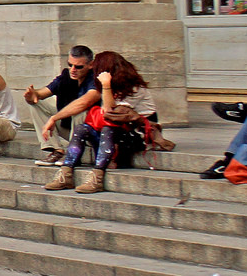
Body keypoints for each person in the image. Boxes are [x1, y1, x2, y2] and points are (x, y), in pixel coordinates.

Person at [46, 51, 156, 193]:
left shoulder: (134, 88)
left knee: (108, 129)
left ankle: (97, 177)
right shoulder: (112, 86)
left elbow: (109, 112)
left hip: (139, 135)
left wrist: (105, 85)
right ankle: (66, 174)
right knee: (81, 129)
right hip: (119, 132)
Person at [22, 45, 101, 162]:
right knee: (37, 105)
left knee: (80, 112)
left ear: (91, 64)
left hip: (91, 133)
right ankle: (56, 150)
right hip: (68, 127)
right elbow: (42, 93)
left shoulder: (95, 79)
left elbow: (85, 102)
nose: (73, 70)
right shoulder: (66, 76)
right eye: (70, 65)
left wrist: (54, 118)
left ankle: (73, 154)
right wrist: (32, 96)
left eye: (78, 67)